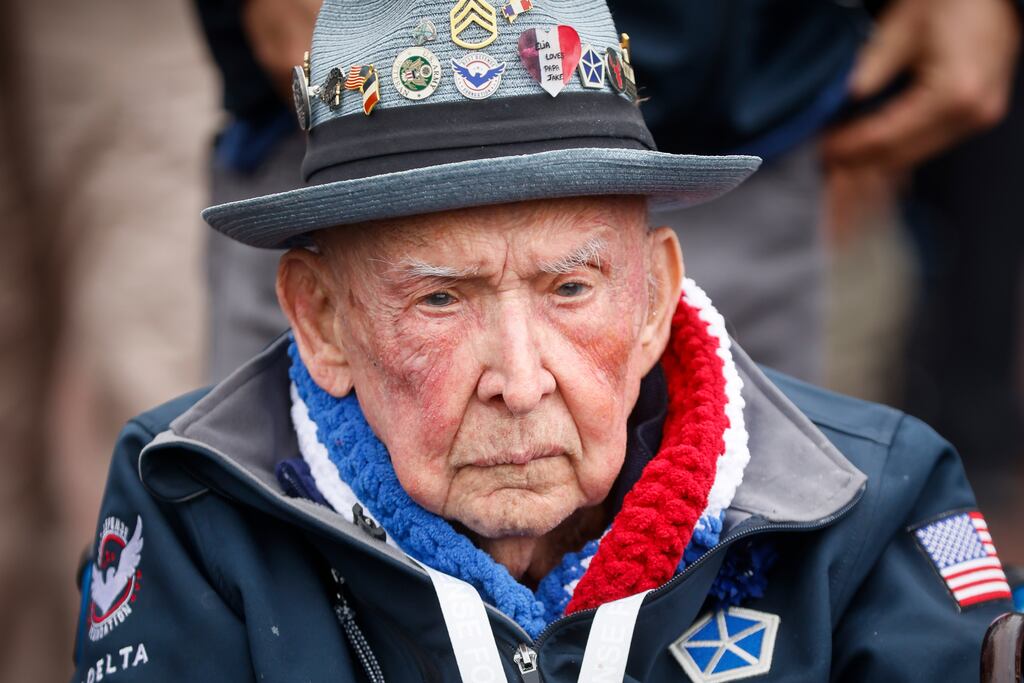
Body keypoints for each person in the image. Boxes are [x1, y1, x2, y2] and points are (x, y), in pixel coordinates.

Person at [71, 1, 1014, 681]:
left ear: (652, 302)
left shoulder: (874, 495)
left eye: (569, 288)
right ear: (322, 318)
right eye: (440, 298)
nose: (520, 382)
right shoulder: (191, 500)